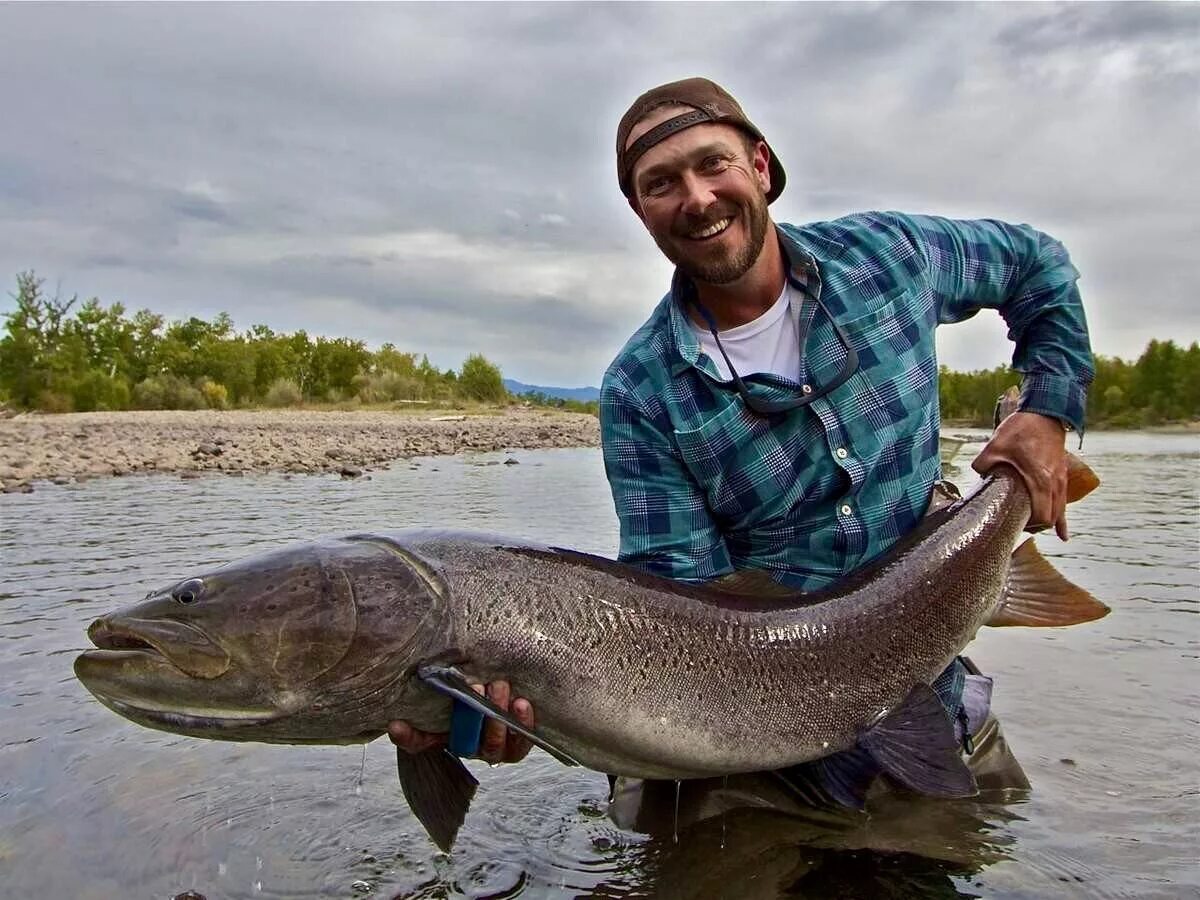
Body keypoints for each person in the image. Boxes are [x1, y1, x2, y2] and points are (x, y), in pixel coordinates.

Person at [392, 77, 1094, 818]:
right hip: (749, 749)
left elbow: (1039, 266)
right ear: (640, 211)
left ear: (760, 167)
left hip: (927, 683)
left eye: (712, 164)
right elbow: (678, 612)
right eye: (661, 183)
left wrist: (1047, 411)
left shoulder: (892, 256)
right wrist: (541, 703)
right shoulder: (641, 392)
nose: (696, 198)